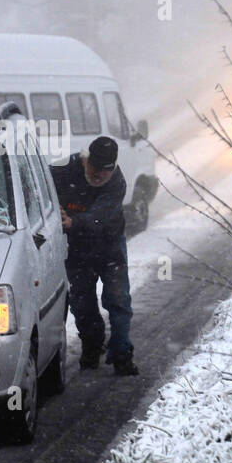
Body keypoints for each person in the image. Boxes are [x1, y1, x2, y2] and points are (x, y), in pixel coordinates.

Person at [51, 136, 138, 376]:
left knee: (118, 300)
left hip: (110, 247)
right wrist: (52, 206)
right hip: (78, 249)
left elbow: (99, 217)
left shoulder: (117, 183)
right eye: (94, 168)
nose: (98, 175)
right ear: (85, 160)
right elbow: (41, 187)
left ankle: (122, 353)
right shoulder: (64, 169)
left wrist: (72, 221)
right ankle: (92, 344)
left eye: (104, 172)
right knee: (82, 301)